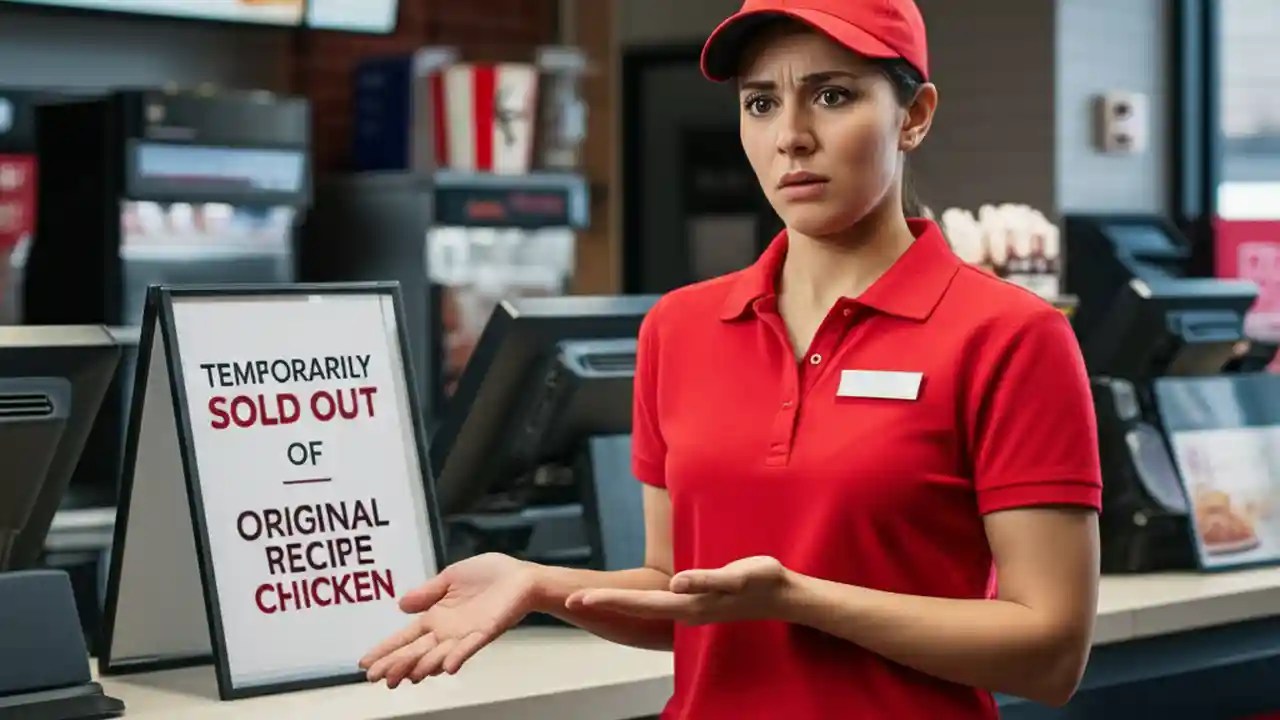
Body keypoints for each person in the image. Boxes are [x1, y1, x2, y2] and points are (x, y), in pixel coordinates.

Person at [360, 1, 1103, 718]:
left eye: (833, 96)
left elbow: (1050, 653)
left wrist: (798, 601)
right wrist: (535, 584)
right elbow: (677, 590)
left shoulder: (1011, 336)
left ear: (914, 115)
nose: (791, 137)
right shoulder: (679, 327)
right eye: (761, 103)